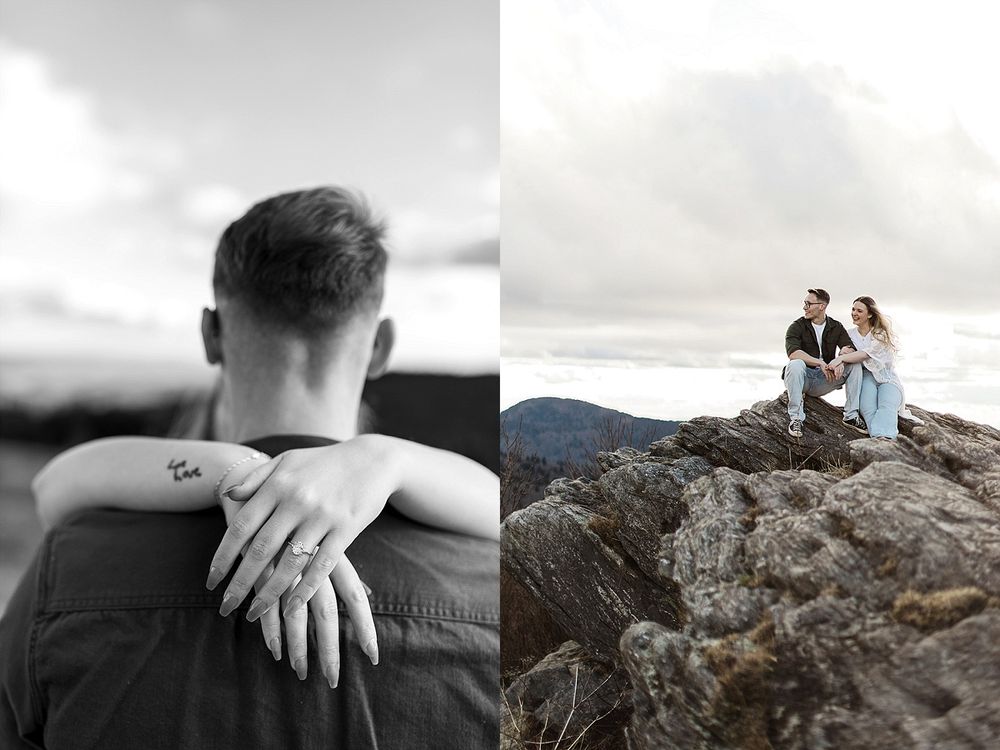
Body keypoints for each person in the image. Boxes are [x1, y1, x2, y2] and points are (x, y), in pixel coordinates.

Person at [0, 187, 500, 749]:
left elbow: (57, 485)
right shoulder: (492, 588)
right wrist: (390, 455)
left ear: (211, 335)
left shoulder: (67, 566)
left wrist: (237, 471)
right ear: (381, 345)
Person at [827, 296, 922, 441]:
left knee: (887, 405)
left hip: (887, 377)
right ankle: (879, 439)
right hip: (865, 377)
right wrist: (841, 358)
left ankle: (887, 438)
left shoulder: (880, 334)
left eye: (859, 311)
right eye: (853, 309)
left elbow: (865, 354)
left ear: (870, 314)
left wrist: (840, 359)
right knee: (868, 409)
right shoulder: (849, 334)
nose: (854, 313)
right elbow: (846, 351)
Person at [783, 288, 866, 438]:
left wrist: (840, 359)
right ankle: (795, 418)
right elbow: (793, 353)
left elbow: (848, 347)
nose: (804, 307)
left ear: (821, 306)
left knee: (854, 364)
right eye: (804, 303)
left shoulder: (836, 326)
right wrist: (820, 362)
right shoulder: (797, 326)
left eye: (808, 304)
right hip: (803, 379)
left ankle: (851, 416)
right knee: (795, 364)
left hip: (825, 378)